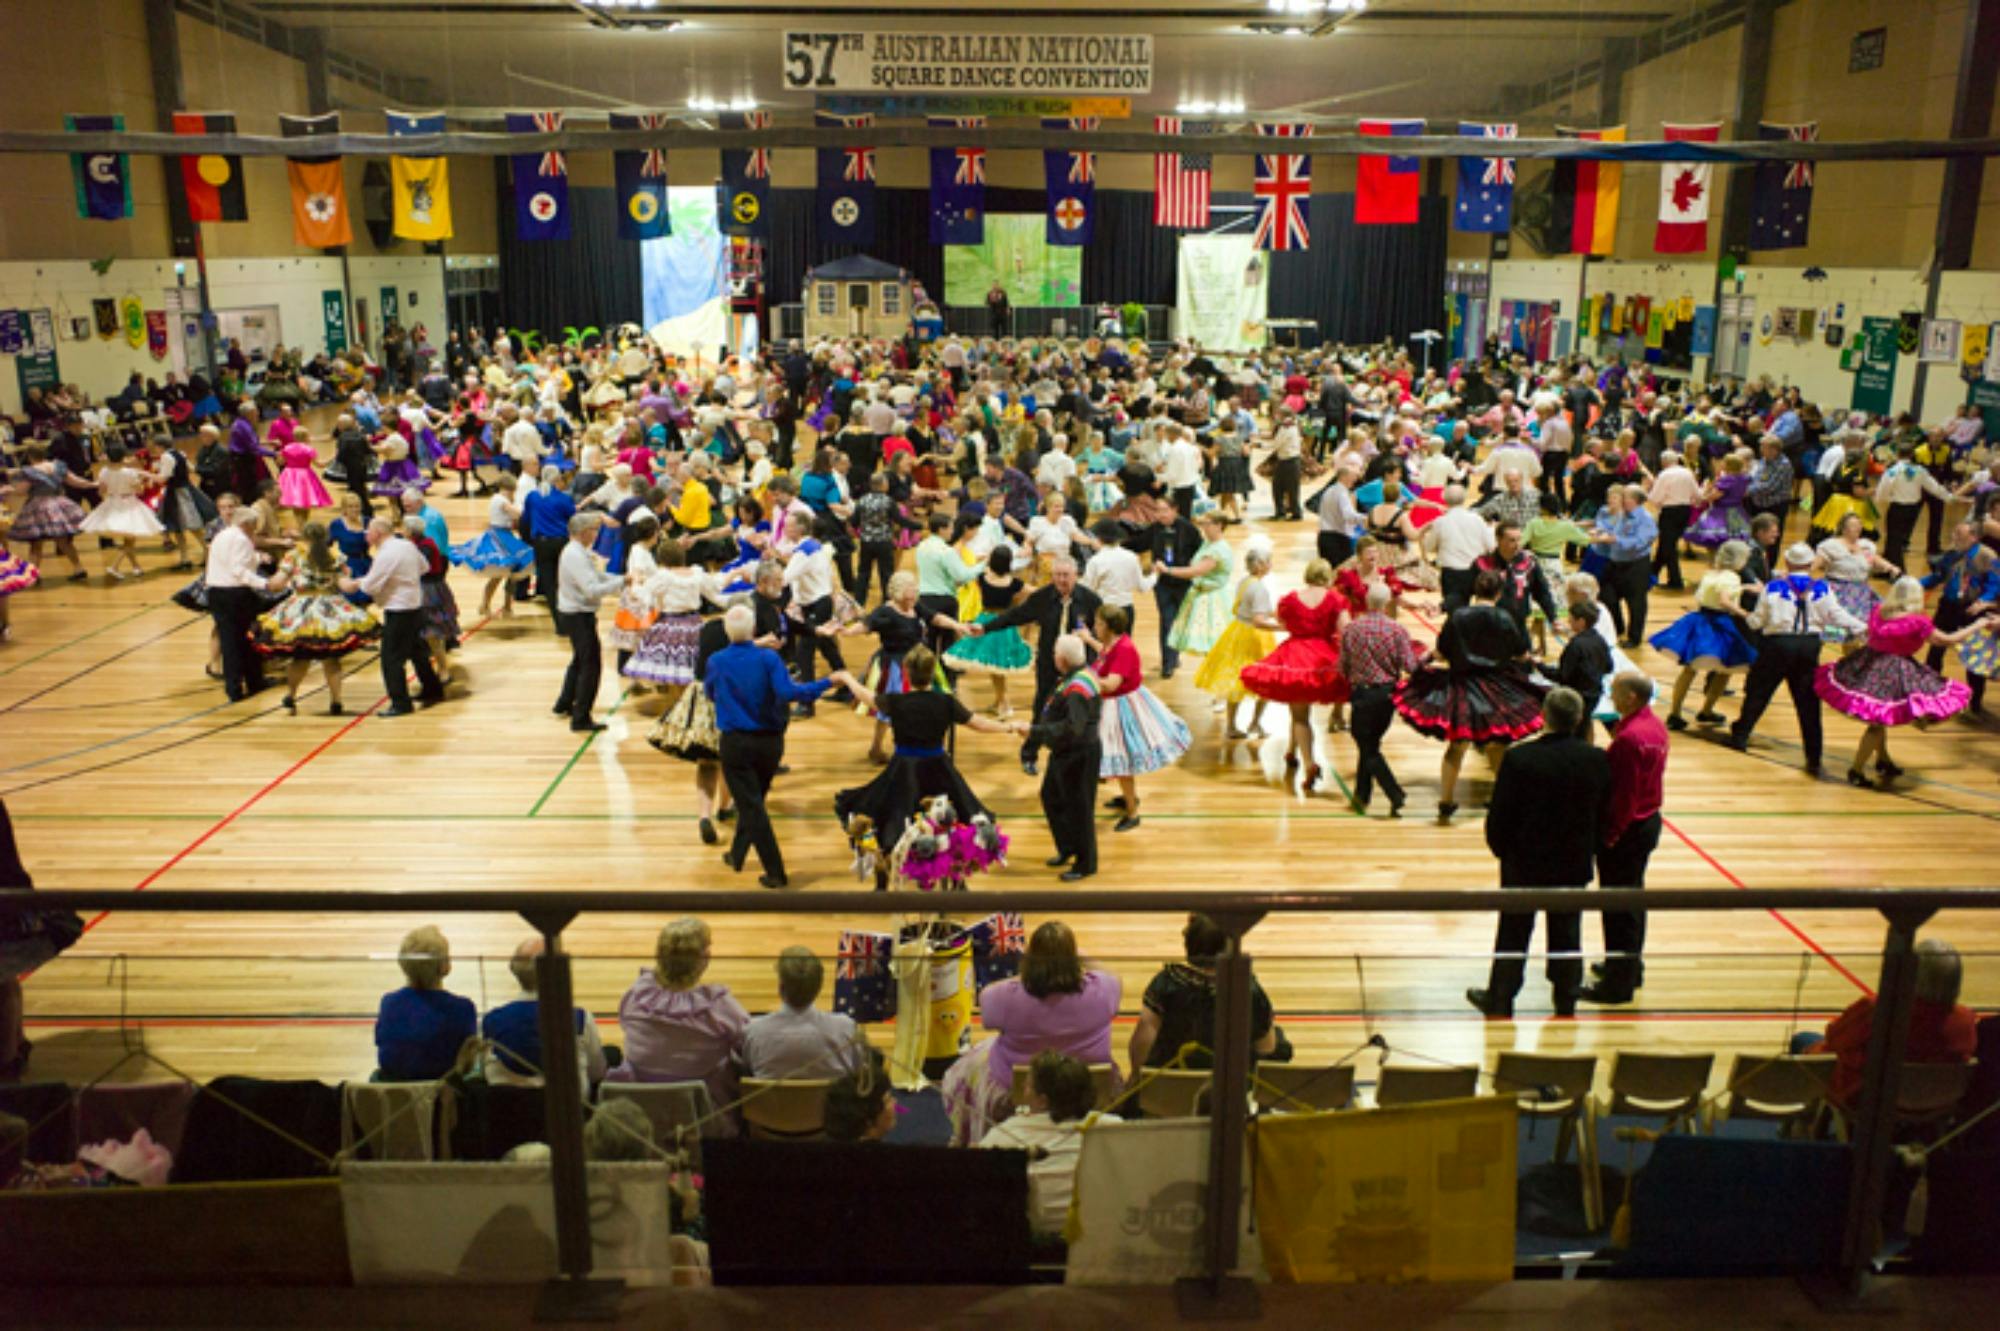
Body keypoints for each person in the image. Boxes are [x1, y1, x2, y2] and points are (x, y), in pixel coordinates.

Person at [1466, 688, 1608, 1020]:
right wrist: (1591, 849)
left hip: (1523, 861)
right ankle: (1566, 998)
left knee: (1513, 931)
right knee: (1567, 932)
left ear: (1544, 715)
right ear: (1577, 719)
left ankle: (1501, 998)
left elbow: (1499, 815)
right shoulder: (1597, 759)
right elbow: (1603, 814)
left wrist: (1503, 852)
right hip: (1573, 860)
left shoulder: (1519, 758)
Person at [708, 604, 856, 888]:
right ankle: (736, 854)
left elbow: (710, 693)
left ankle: (776, 872)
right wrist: (827, 682)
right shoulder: (768, 658)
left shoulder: (717, 661)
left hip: (735, 744)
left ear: (727, 631)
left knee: (752, 806)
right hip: (770, 743)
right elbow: (789, 693)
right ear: (753, 630)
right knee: (753, 801)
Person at [941, 921, 1121, 1145]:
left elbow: (984, 1002)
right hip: (1090, 1083)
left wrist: (1029, 975)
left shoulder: (1005, 997)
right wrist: (1080, 957)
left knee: (973, 1061)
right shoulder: (1103, 990)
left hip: (1019, 1090)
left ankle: (966, 1137)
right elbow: (1115, 978)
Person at [836, 644, 1013, 862]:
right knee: (951, 821)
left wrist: (847, 679)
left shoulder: (896, 701)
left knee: (897, 818)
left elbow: (867, 696)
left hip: (904, 769)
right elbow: (980, 724)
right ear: (932, 672)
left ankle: (896, 868)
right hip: (938, 767)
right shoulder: (946, 702)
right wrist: (1010, 727)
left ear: (907, 673)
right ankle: (952, 871)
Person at [1394, 568, 1548, 819]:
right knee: (1497, 747)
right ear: (1499, 593)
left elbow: (1441, 653)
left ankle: (1446, 800)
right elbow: (1519, 654)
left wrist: (1424, 660)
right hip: (1497, 687)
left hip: (1461, 686)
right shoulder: (1505, 618)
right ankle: (1501, 799)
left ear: (1476, 591)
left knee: (1456, 747)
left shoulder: (1458, 616)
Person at [1816, 576, 1985, 789]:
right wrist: (1978, 625)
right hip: (1893, 671)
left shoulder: (1879, 610)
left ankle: (1883, 760)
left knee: (1879, 719)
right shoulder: (1917, 620)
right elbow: (1947, 640)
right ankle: (1856, 770)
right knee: (1877, 725)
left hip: (1868, 663)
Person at [1725, 543, 1865, 776]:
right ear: (1810, 565)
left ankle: (1740, 735)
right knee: (1808, 703)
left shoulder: (1773, 587)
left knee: (1759, 691)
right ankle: (1814, 756)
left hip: (1777, 645)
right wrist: (1863, 627)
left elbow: (1756, 622)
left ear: (1788, 563)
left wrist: (1740, 613)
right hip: (1809, 647)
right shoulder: (1823, 587)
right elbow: (1837, 615)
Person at [1790, 939, 1978, 1109]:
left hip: (1869, 1096)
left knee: (1803, 1040)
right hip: (1935, 1101)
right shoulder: (1965, 1020)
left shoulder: (1877, 1009)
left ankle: (1804, 1125)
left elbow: (1835, 1037)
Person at [606, 919, 750, 1132]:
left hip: (642, 1111)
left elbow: (628, 1028)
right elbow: (747, 1044)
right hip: (703, 1115)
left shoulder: (635, 996)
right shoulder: (719, 1006)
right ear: (703, 960)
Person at [1579, 672, 1669, 1006]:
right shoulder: (1654, 726)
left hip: (1629, 827)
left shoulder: (1630, 739)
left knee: (1618, 908)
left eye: (1615, 690)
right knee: (1632, 901)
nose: (1609, 694)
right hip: (1648, 821)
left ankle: (1618, 985)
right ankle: (1629, 966)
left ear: (1631, 696)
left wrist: (1612, 834)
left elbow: (1624, 795)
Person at [975, 556, 1103, 777]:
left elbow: (1102, 631)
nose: (1062, 580)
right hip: (1049, 664)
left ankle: (1083, 758)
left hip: (1080, 668)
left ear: (1076, 576)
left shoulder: (1091, 601)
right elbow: (1015, 616)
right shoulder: (1042, 597)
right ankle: (1029, 754)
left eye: (1066, 575)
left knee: (1080, 712)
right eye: (1058, 575)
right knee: (1041, 708)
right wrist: (986, 628)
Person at [977, 1051, 1121, 1238]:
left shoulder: (1004, 1135)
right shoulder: (1117, 1129)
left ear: (1043, 1101)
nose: (1023, 1089)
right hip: (1101, 1239)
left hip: (1032, 1245)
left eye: (1028, 1086)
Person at [1240, 557, 1350, 790]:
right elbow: (1346, 631)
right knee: (1301, 713)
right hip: (1323, 657)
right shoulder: (1336, 599)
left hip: (1295, 655)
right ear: (1327, 577)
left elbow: (1283, 622)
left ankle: (1305, 760)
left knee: (1298, 712)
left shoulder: (1290, 599)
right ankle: (1297, 755)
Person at [250, 521, 380, 715]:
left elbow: (277, 583)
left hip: (300, 610)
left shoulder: (294, 556)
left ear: (304, 537)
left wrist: (258, 580)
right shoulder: (333, 557)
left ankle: (291, 696)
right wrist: (360, 582)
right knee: (331, 659)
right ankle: (336, 701)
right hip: (330, 610)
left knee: (300, 659)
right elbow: (346, 585)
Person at [1128, 913, 1279, 1073]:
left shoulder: (1167, 982)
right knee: (1280, 1042)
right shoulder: (1246, 988)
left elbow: (1142, 1044)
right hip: (1229, 1091)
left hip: (1169, 1087)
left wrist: (1136, 1078)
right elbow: (1266, 1050)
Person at [0, 799, 83, 1082]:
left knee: (2, 977)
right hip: (16, 912)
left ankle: (8, 1065)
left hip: (13, 918)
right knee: (4, 978)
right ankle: (13, 1051)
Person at [1094, 603, 1192, 832]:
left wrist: (1081, 677)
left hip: (1122, 708)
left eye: (1098, 623)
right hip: (1114, 705)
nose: (1095, 626)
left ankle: (1132, 813)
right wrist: (1088, 640)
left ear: (1109, 627)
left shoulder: (1125, 649)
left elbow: (1111, 683)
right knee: (1118, 756)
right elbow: (1105, 654)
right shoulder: (1114, 643)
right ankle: (1127, 798)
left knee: (1123, 759)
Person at [1649, 540, 1759, 731]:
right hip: (1719, 623)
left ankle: (1675, 712)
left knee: (1690, 668)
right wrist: (1744, 613)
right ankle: (1706, 709)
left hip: (1700, 619)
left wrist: (1742, 589)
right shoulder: (1732, 577)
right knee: (1726, 668)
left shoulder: (1711, 573)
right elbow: (1725, 601)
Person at [480, 938, 609, 1096]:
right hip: (567, 1117)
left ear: (513, 969)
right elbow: (597, 1073)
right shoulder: (580, 1019)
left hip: (508, 1117)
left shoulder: (490, 1021)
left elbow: (483, 1071)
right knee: (610, 1055)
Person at [342, 516, 442, 718]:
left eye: (368, 531)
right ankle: (433, 690)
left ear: (378, 533)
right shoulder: (406, 545)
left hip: (398, 610)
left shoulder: (386, 554)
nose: (366, 535)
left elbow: (371, 586)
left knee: (391, 659)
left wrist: (354, 583)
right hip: (415, 605)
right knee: (417, 652)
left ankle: (400, 703)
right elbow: (424, 567)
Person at [1024, 635, 1104, 881]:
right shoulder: (1078, 676)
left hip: (1078, 755)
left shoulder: (1077, 689)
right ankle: (1068, 847)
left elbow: (1073, 728)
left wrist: (1035, 731)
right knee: (1052, 797)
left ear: (1062, 659)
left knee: (1079, 809)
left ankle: (1085, 863)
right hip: (1065, 753)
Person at [1194, 539, 1281, 738]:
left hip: (1237, 631)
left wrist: (1277, 614)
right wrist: (1282, 627)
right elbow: (1259, 619)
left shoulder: (1245, 581)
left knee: (1236, 680)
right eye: (1268, 561)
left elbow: (1255, 608)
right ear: (1260, 565)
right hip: (1254, 636)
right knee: (1266, 680)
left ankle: (1231, 726)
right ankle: (1255, 724)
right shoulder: (1259, 588)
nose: (1271, 565)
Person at [739, 947, 865, 1082]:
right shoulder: (846, 1028)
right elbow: (859, 1072)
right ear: (819, 987)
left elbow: (745, 1069)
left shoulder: (754, 1031)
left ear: (781, 988)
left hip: (773, 1103)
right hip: (830, 1103)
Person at [373, 925, 477, 1081]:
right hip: (444, 1096)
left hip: (397, 1097)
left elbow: (383, 1045)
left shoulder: (389, 1003)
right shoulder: (462, 1009)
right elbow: (468, 1062)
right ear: (445, 967)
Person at [205, 509, 289, 701]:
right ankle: (249, 682)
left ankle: (238, 685)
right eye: (254, 525)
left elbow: (231, 560)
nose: (255, 530)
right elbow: (238, 570)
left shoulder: (222, 535)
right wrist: (265, 584)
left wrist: (258, 557)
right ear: (247, 524)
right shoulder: (241, 539)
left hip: (216, 593)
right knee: (246, 638)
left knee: (230, 641)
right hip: (235, 594)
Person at [551, 512, 624, 732]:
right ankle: (581, 717)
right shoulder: (575, 555)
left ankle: (564, 703)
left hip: (575, 613)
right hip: (578, 615)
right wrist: (621, 582)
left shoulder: (578, 552)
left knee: (579, 661)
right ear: (583, 533)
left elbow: (597, 577)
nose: (596, 533)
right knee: (591, 665)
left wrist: (621, 579)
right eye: (594, 529)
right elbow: (592, 590)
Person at [943, 545, 1033, 716]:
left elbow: (963, 578)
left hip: (985, 622)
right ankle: (1000, 701)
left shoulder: (983, 578)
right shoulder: (1014, 583)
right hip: (1004, 623)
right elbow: (1034, 592)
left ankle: (1004, 704)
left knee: (995, 666)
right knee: (997, 666)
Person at [448, 474, 534, 618]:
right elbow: (516, 513)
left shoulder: (503, 499)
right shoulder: (500, 500)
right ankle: (485, 604)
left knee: (511, 573)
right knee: (498, 575)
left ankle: (506, 606)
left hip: (506, 536)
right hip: (499, 537)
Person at [77, 444, 166, 581]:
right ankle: (115, 566)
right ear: (123, 456)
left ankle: (136, 567)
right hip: (128, 504)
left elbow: (102, 491)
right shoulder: (129, 472)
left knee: (129, 540)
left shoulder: (104, 471)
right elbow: (139, 491)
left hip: (112, 503)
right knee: (129, 541)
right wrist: (141, 482)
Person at [1588, 483, 1660, 647]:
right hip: (1615, 562)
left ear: (1634, 500)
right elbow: (1613, 530)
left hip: (1635, 565)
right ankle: (1617, 627)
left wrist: (1616, 540)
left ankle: (1634, 638)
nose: (1621, 499)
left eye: (1625, 496)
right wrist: (1602, 533)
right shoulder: (1622, 515)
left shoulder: (1646, 519)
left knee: (1635, 602)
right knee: (1606, 594)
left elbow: (1641, 542)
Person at [1149, 493, 1204, 678]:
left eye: (1164, 510)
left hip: (1183, 583)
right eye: (1157, 510)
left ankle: (1174, 655)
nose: (1161, 514)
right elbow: (1139, 543)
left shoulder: (1189, 529)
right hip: (1163, 583)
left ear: (1174, 510)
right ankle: (1167, 663)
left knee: (1179, 621)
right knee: (1166, 620)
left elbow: (1201, 551)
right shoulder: (1154, 528)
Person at [1422, 485, 1494, 612]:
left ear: (1444, 499)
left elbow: (1429, 547)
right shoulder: (1477, 519)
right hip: (1476, 570)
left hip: (1452, 573)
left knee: (1455, 613)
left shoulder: (1440, 522)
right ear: (1465, 498)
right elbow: (1490, 545)